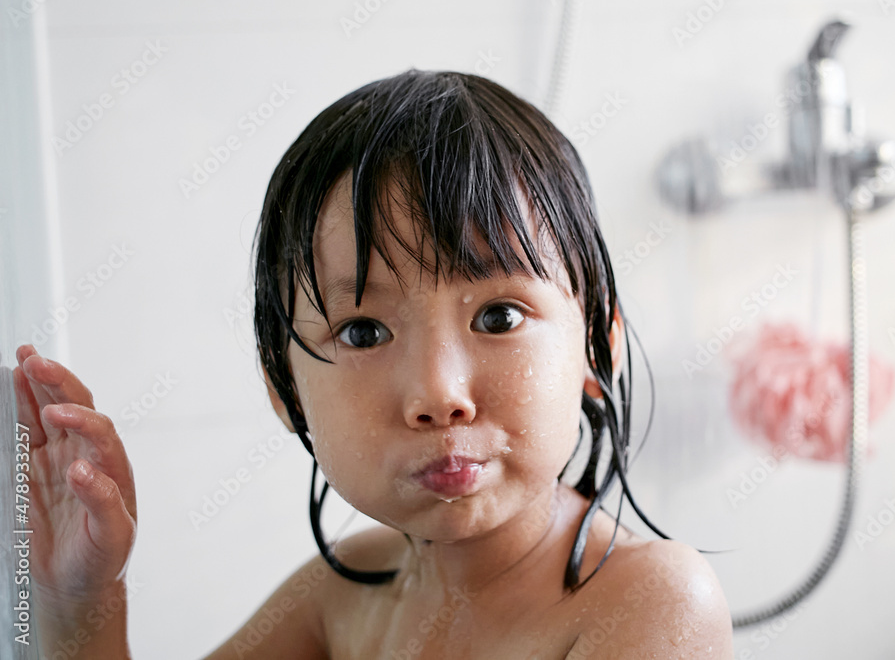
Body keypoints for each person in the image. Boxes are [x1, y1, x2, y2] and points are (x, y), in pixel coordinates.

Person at [14, 69, 733, 658]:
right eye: (362, 332)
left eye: (499, 317)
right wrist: (79, 604)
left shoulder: (652, 603)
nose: (439, 393)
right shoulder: (343, 594)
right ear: (286, 387)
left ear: (596, 348)